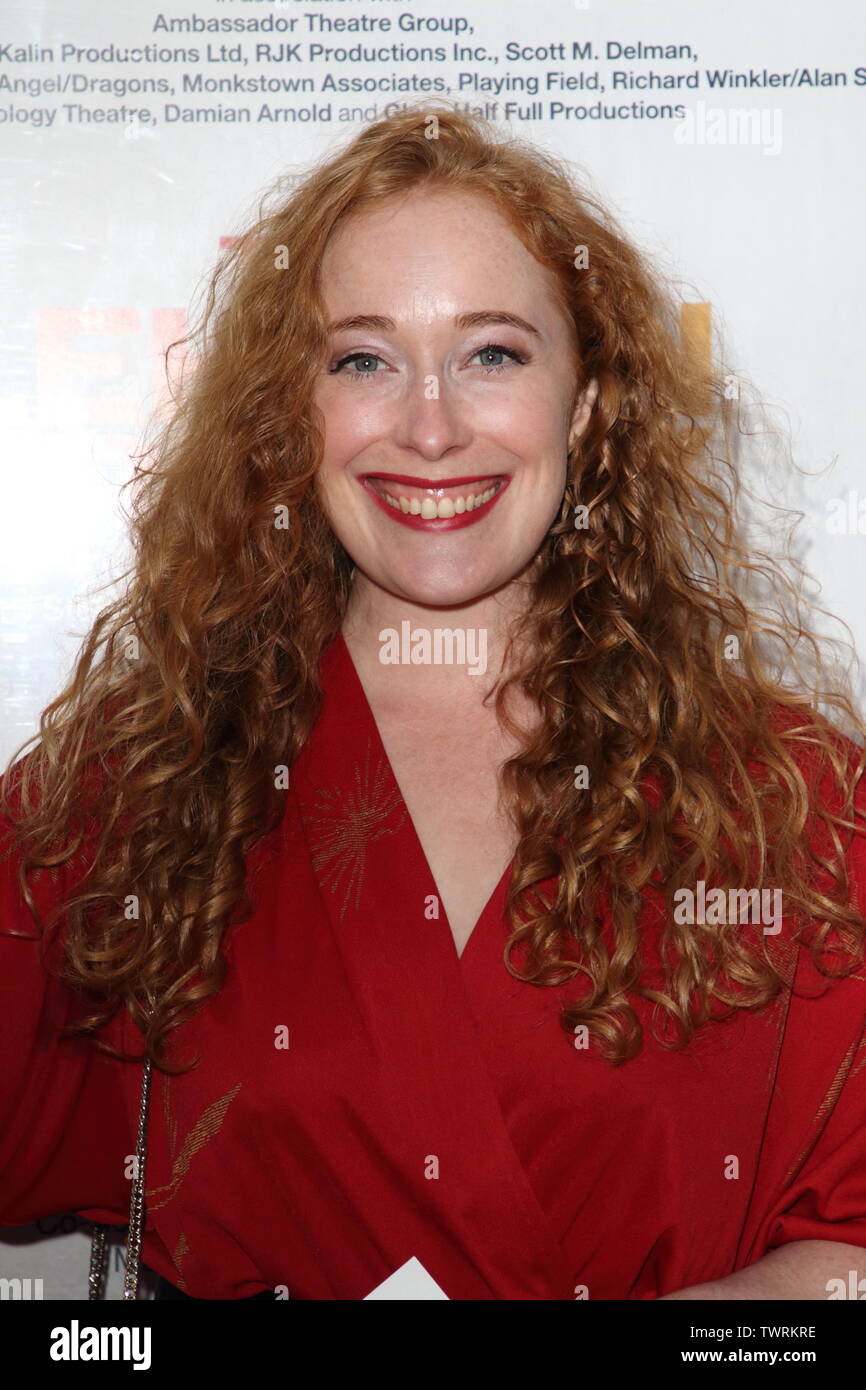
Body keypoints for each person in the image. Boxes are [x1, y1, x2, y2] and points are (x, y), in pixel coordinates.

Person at [1, 102, 865, 1302]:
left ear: (585, 406)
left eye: (493, 353)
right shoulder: (141, 772)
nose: (429, 425)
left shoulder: (794, 797)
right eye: (361, 358)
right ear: (289, 418)